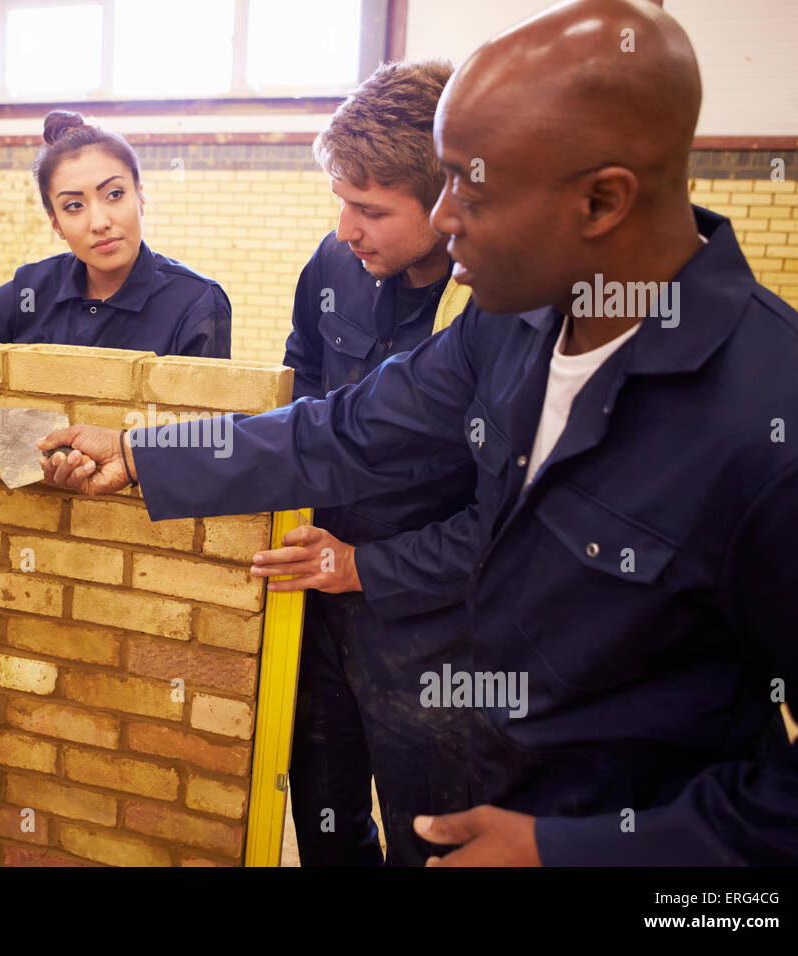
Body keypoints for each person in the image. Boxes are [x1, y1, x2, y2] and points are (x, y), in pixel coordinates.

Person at [39, 0, 798, 865]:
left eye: (471, 190)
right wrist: (144, 451)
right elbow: (344, 429)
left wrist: (571, 850)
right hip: (457, 766)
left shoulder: (785, 430)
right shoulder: (511, 325)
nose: (444, 219)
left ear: (602, 200)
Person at [273, 59, 477, 866]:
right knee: (325, 820)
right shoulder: (333, 267)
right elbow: (302, 392)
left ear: (446, 199)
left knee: (430, 835)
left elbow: (508, 516)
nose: (345, 229)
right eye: (340, 202)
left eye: (369, 210)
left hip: (433, 625)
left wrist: (368, 566)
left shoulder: (496, 306)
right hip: (315, 602)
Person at [0, 111, 231, 358]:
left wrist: (119, 443)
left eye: (115, 194)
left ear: (141, 198)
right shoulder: (32, 292)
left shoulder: (197, 302)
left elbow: (204, 434)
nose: (99, 222)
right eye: (74, 206)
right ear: (57, 225)